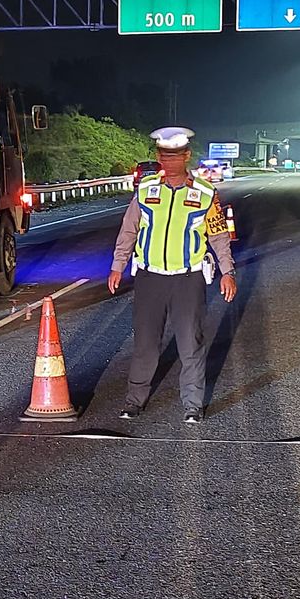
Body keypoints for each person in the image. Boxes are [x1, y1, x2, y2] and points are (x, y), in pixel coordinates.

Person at [108, 126, 237, 424]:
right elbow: (129, 229)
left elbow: (218, 236)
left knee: (190, 342)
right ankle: (134, 401)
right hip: (150, 277)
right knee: (145, 343)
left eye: (176, 156)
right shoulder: (146, 189)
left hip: (187, 279)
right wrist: (118, 265)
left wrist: (227, 271)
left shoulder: (205, 194)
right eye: (165, 156)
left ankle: (193, 404)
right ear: (158, 156)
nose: (170, 161)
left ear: (187, 156)